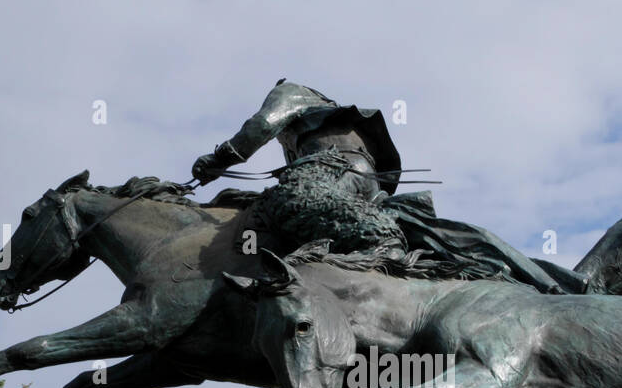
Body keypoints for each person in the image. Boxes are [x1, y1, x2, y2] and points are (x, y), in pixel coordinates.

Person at [192, 79, 584, 294]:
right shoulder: (324, 121)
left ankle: (284, 280)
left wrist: (218, 160)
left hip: (333, 170)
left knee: (289, 204)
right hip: (364, 181)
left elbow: (261, 126)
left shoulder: (289, 92)